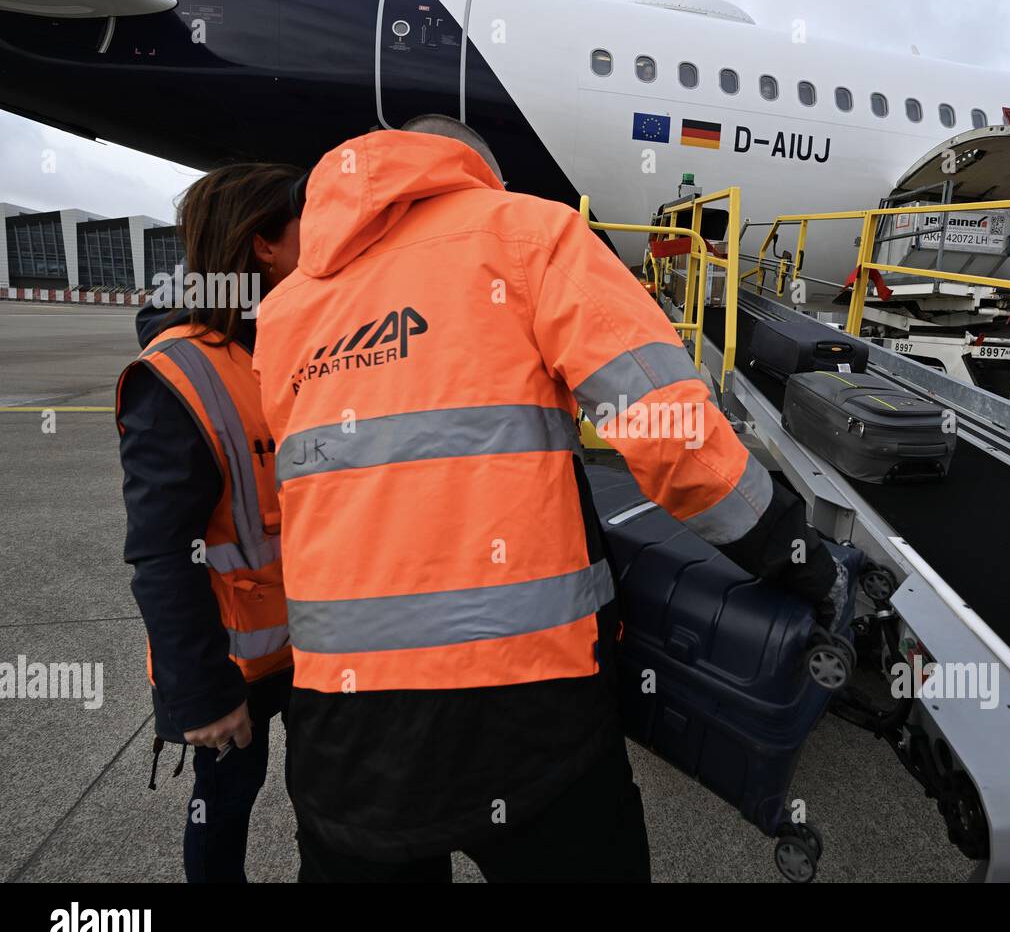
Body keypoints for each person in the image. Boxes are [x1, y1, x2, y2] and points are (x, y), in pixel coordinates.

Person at [252, 114, 850, 883]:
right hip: (521, 702)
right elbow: (671, 433)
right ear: (476, 173)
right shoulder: (528, 233)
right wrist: (792, 552)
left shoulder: (287, 310)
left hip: (341, 720)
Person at [115, 162, 303, 882]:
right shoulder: (178, 373)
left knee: (327, 801)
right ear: (263, 245)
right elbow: (163, 553)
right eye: (306, 224)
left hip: (316, 647)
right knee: (224, 806)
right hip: (233, 664)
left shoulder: (292, 346)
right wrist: (202, 694)